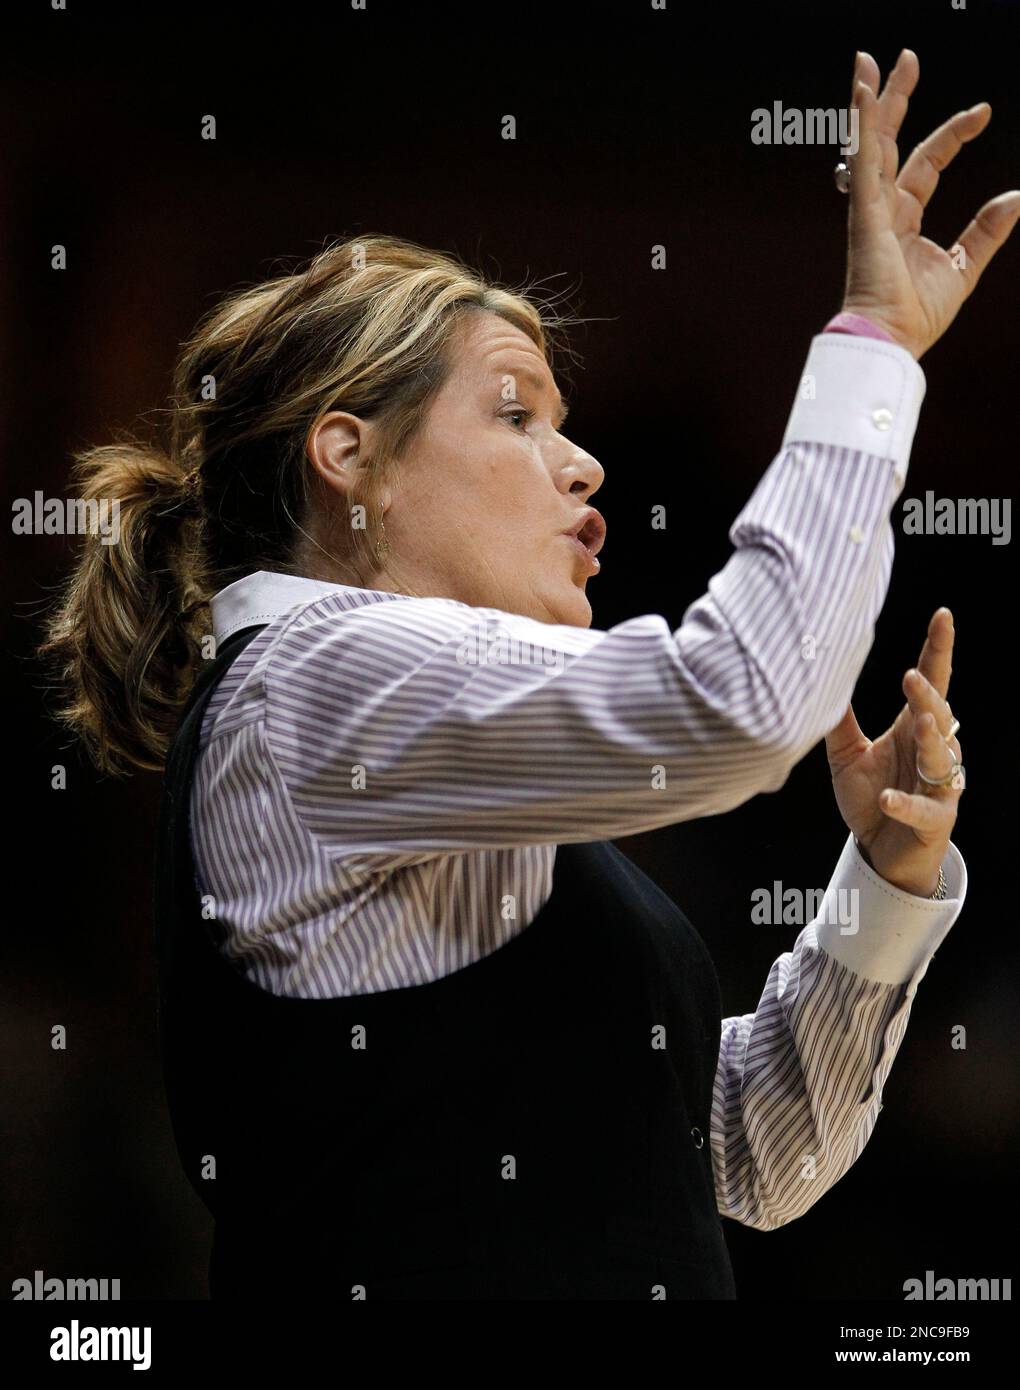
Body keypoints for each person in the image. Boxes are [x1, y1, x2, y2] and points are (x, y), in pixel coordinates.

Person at [38, 50, 1017, 1299]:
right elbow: (745, 699)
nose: (583, 463)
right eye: (517, 413)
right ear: (352, 457)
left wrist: (886, 879)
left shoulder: (456, 786)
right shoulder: (304, 686)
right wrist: (872, 346)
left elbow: (755, 1162)